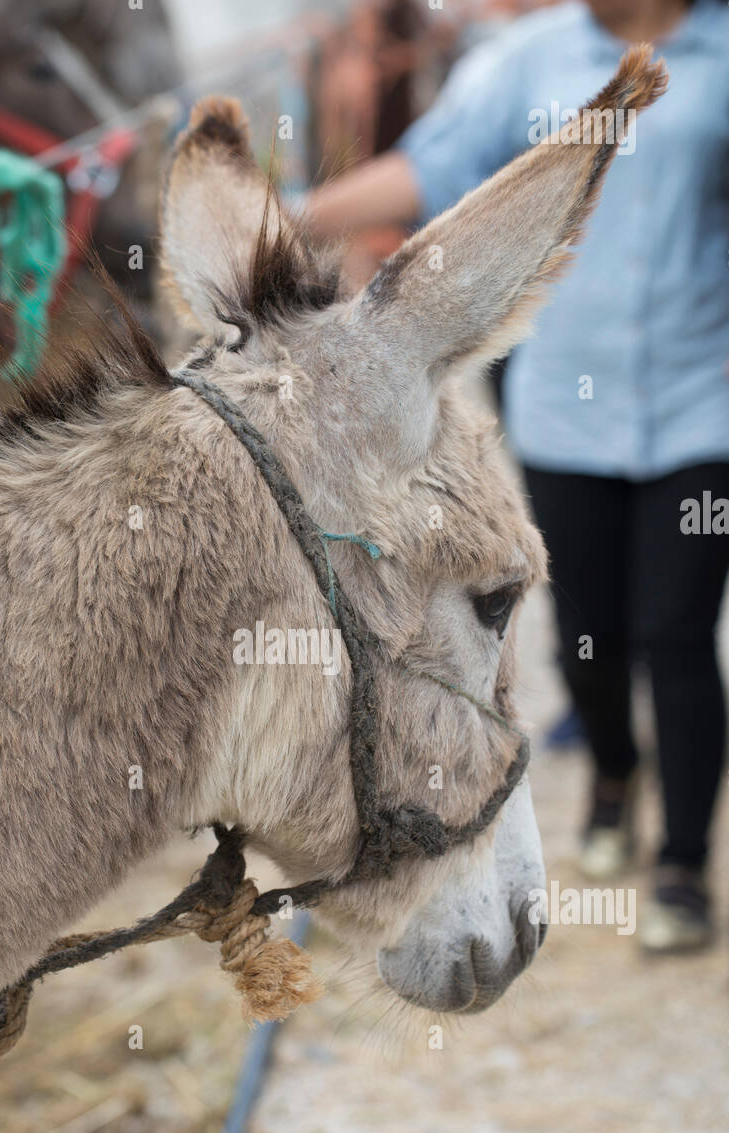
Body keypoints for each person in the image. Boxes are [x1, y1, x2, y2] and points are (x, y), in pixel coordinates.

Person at [306, 0, 729, 953]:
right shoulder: (522, 60)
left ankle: (685, 868)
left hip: (706, 403)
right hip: (567, 408)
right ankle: (615, 777)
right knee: (592, 630)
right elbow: (435, 168)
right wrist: (288, 217)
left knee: (678, 630)